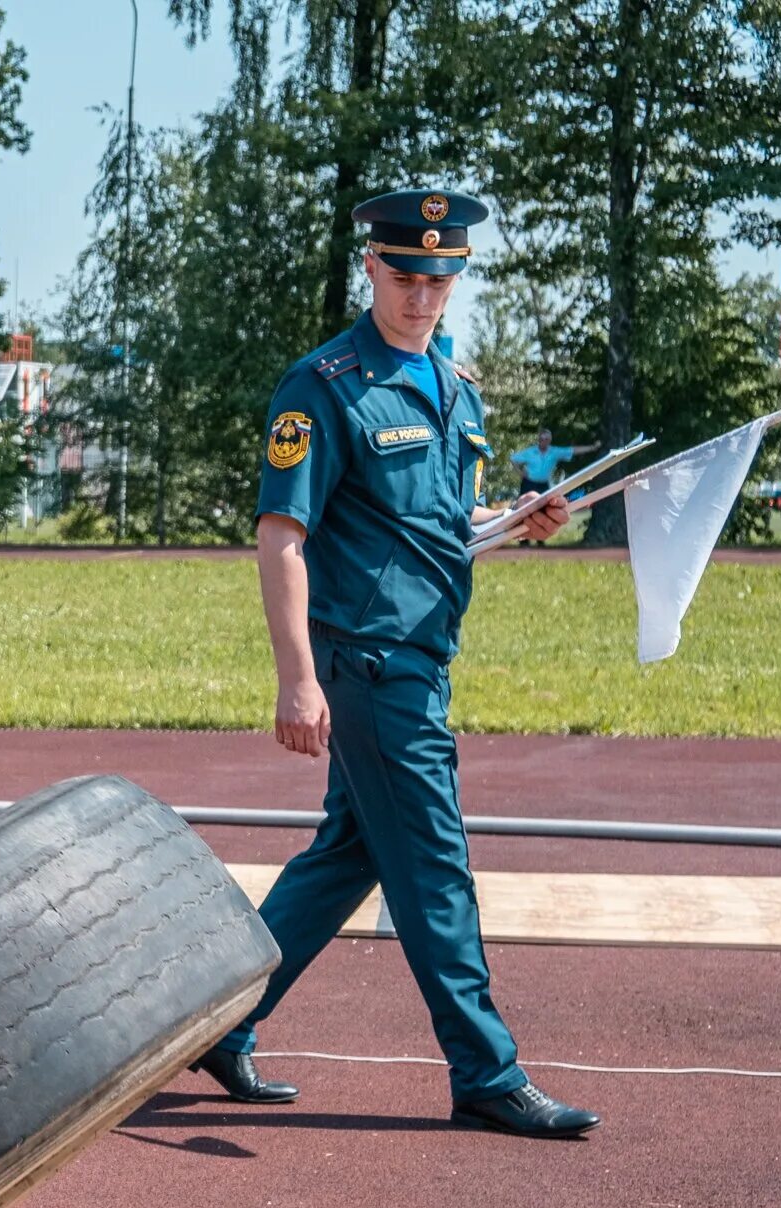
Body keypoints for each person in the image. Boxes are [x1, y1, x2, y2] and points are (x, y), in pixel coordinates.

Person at [190, 190, 601, 1140]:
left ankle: (226, 1020)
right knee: (434, 864)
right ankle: (487, 1071)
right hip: (368, 663)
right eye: (407, 277)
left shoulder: (452, 388)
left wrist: (518, 523)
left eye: (440, 280)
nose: (423, 297)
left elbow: (438, 531)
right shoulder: (324, 386)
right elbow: (281, 536)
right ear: (370, 268)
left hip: (422, 651)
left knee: (349, 854)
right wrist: (298, 677)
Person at [510, 427, 591, 495]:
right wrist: (520, 473)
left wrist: (592, 448)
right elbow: (513, 458)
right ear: (538, 440)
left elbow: (573, 450)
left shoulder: (554, 452)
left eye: (546, 439)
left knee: (545, 508)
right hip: (529, 484)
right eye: (541, 439)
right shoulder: (530, 452)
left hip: (543, 484)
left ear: (549, 441)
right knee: (525, 508)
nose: (543, 441)